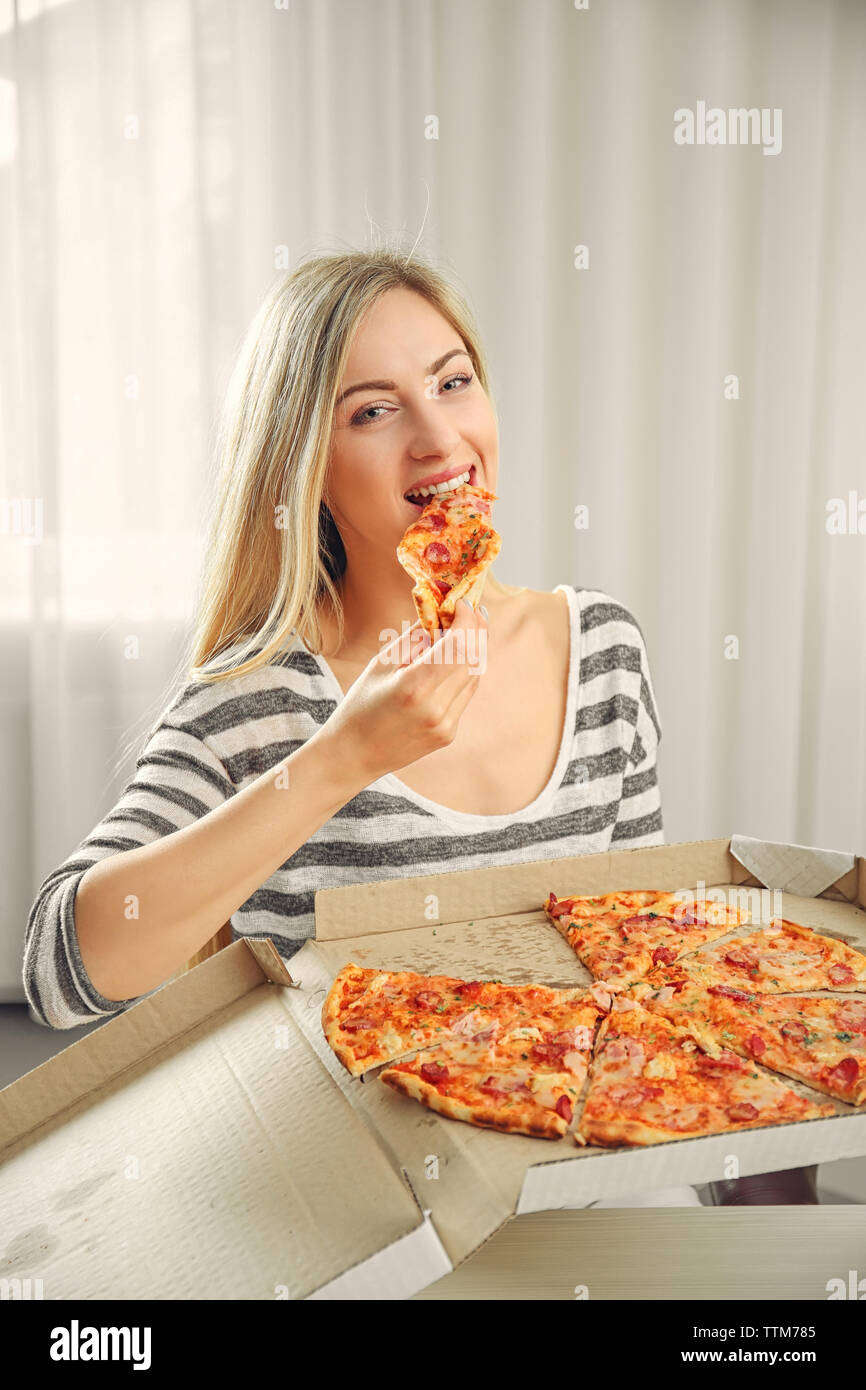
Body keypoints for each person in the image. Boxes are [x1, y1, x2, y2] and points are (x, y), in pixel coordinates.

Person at [22, 247, 814, 1207]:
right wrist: (343, 758)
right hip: (365, 1196)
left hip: (584, 1161)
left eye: (454, 382)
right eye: (373, 409)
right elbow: (65, 970)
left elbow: (629, 942)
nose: (441, 438)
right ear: (304, 468)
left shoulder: (598, 643)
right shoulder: (257, 696)